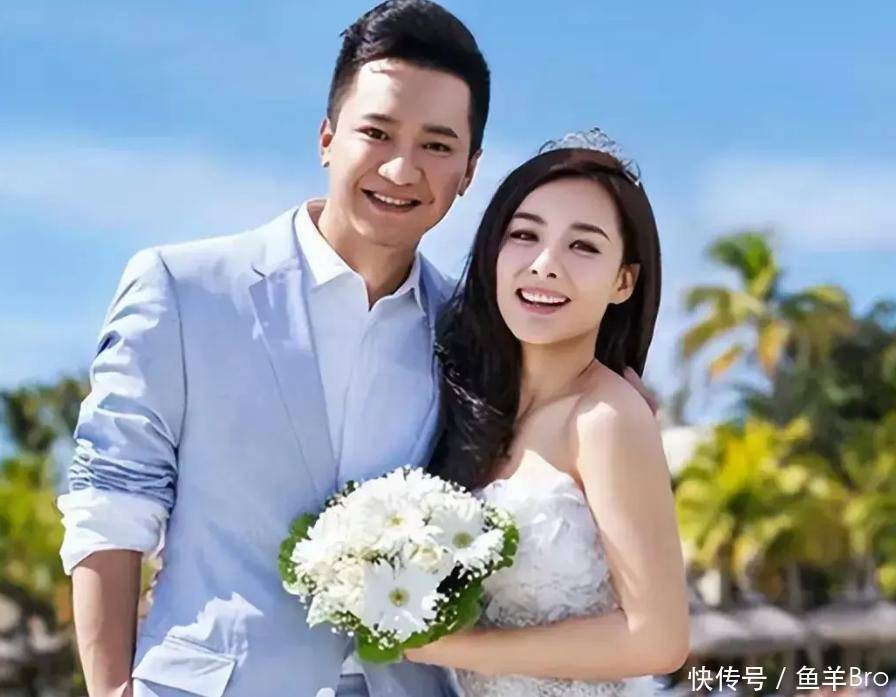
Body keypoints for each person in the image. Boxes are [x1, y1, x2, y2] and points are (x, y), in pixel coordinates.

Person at [57, 2, 486, 695]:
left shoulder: (473, 332)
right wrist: (110, 689)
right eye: (376, 132)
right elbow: (112, 497)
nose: (402, 168)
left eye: (438, 146)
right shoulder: (183, 287)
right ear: (327, 138)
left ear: (469, 171)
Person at [407, 131, 690, 696]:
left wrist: (443, 648)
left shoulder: (606, 418)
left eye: (583, 246)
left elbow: (658, 640)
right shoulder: (458, 394)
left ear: (623, 281)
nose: (545, 265)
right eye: (524, 235)